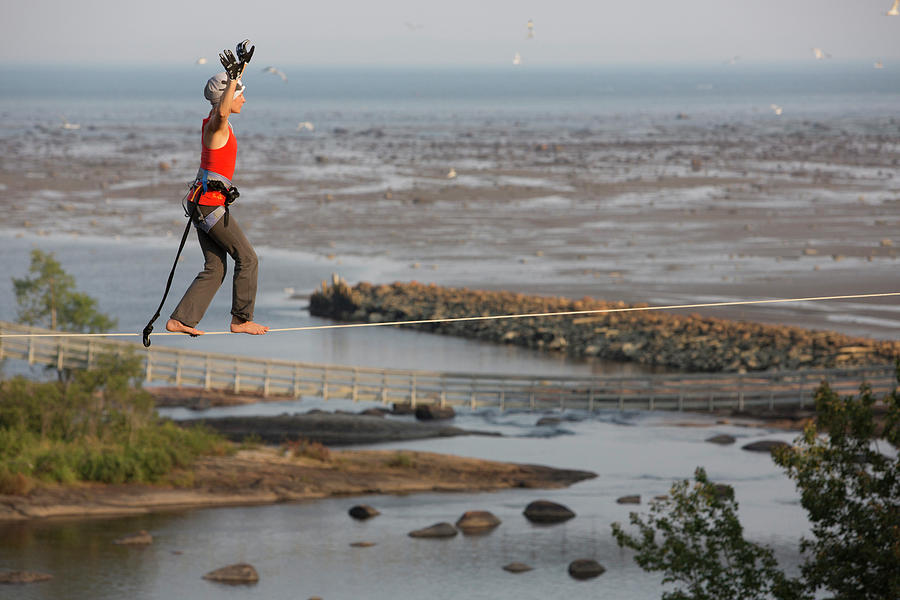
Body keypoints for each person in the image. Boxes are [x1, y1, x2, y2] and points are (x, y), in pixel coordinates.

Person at [166, 47, 268, 337]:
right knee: (248, 259)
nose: (244, 99)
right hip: (209, 206)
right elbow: (222, 110)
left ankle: (180, 320)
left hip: (203, 203)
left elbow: (225, 103)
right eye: (240, 94)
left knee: (215, 267)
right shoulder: (216, 126)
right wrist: (233, 81)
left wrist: (239, 71)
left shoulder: (217, 122)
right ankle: (241, 320)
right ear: (227, 98)